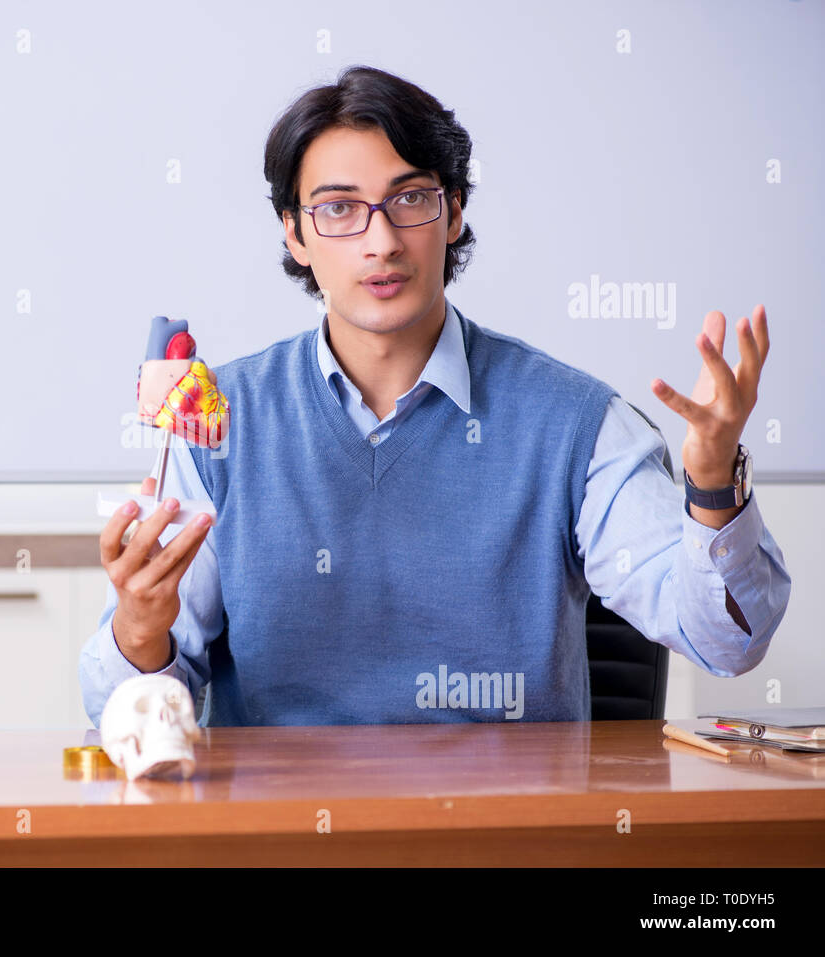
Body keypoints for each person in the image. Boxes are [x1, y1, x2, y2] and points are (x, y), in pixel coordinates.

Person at [79, 65, 790, 727]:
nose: (381, 240)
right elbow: (127, 713)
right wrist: (140, 627)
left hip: (509, 836)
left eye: (410, 199)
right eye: (339, 210)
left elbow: (725, 643)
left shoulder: (578, 426)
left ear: (453, 213)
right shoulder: (218, 425)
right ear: (295, 233)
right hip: (283, 835)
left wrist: (710, 485)